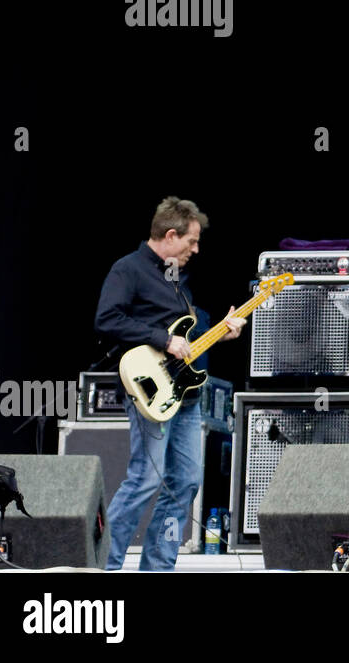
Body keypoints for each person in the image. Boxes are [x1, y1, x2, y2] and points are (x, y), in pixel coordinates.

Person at [96, 197, 245, 571]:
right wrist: (163, 339)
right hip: (151, 391)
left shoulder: (175, 277)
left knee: (186, 482)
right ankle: (102, 564)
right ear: (171, 234)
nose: (196, 250)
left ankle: (158, 566)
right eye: (192, 241)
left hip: (186, 395)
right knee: (145, 479)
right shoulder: (127, 269)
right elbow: (108, 319)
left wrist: (219, 335)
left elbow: (185, 341)